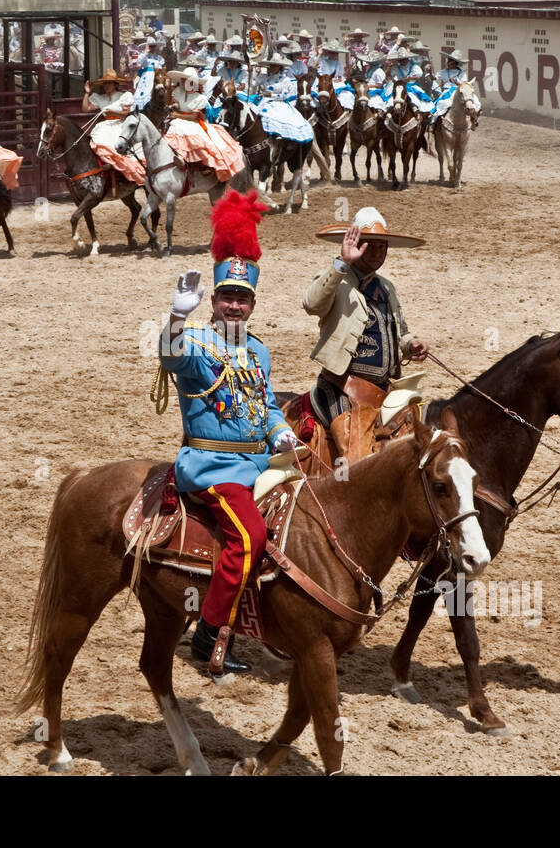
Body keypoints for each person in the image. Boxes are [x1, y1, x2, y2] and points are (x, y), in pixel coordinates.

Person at [158, 190, 297, 674]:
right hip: (212, 465)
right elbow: (170, 358)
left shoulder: (258, 351)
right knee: (249, 535)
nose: (235, 306)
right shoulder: (196, 341)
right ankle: (210, 632)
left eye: (243, 298)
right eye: (227, 298)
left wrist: (280, 431)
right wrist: (177, 317)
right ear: (213, 301)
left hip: (261, 461)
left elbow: (266, 403)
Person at [302, 208, 427, 450]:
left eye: (383, 247)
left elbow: (400, 332)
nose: (378, 252)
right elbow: (311, 303)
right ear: (356, 244)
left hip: (384, 388)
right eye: (371, 245)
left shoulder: (387, 287)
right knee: (356, 455)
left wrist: (410, 345)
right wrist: (342, 263)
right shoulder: (338, 278)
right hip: (342, 387)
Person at [166, 67, 245, 180]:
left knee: (199, 140)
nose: (183, 83)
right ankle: (174, 158)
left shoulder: (200, 98)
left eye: (186, 81)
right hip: (178, 120)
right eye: (183, 81)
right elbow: (169, 101)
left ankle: (203, 165)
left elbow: (194, 116)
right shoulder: (179, 93)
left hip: (193, 122)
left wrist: (177, 115)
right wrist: (169, 89)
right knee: (169, 131)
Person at [81, 68, 145, 184]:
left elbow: (126, 113)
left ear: (116, 84)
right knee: (97, 141)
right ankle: (106, 169)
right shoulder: (100, 98)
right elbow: (85, 108)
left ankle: (123, 172)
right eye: (105, 83)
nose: (106, 86)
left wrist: (113, 112)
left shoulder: (124, 96)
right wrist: (87, 92)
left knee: (119, 145)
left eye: (109, 83)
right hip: (105, 125)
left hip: (120, 125)